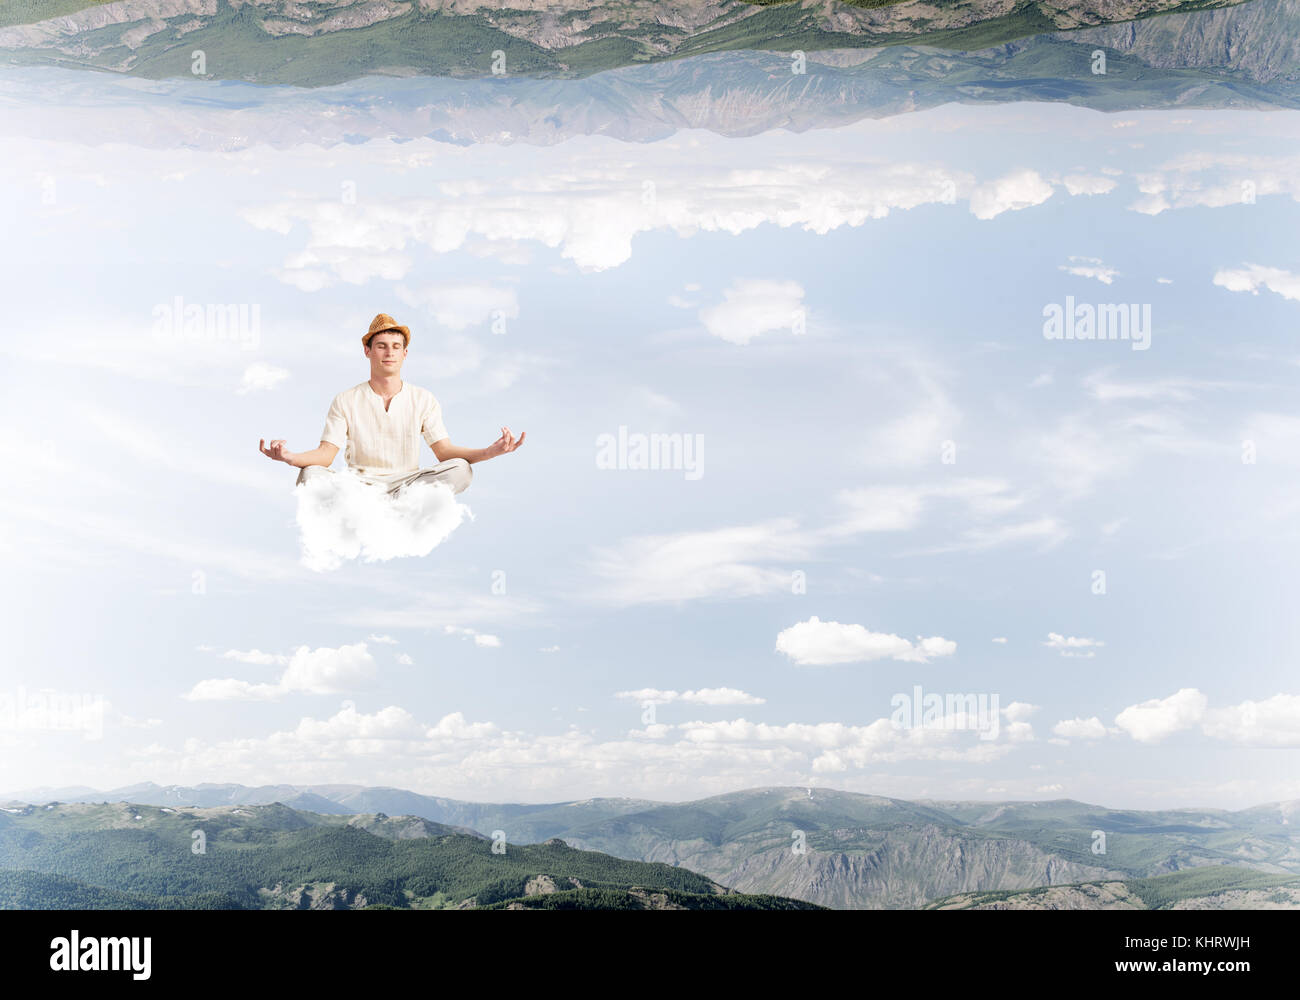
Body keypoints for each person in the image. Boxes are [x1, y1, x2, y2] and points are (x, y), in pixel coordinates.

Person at [259, 313, 525, 496]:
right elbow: (326, 455)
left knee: (461, 470)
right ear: (368, 351)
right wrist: (290, 457)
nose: (389, 352)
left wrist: (490, 452)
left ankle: (391, 510)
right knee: (310, 476)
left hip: (407, 487)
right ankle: (362, 511)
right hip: (358, 486)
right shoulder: (346, 399)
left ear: (405, 353)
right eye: (382, 346)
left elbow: (444, 453)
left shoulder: (424, 399)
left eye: (396, 347)